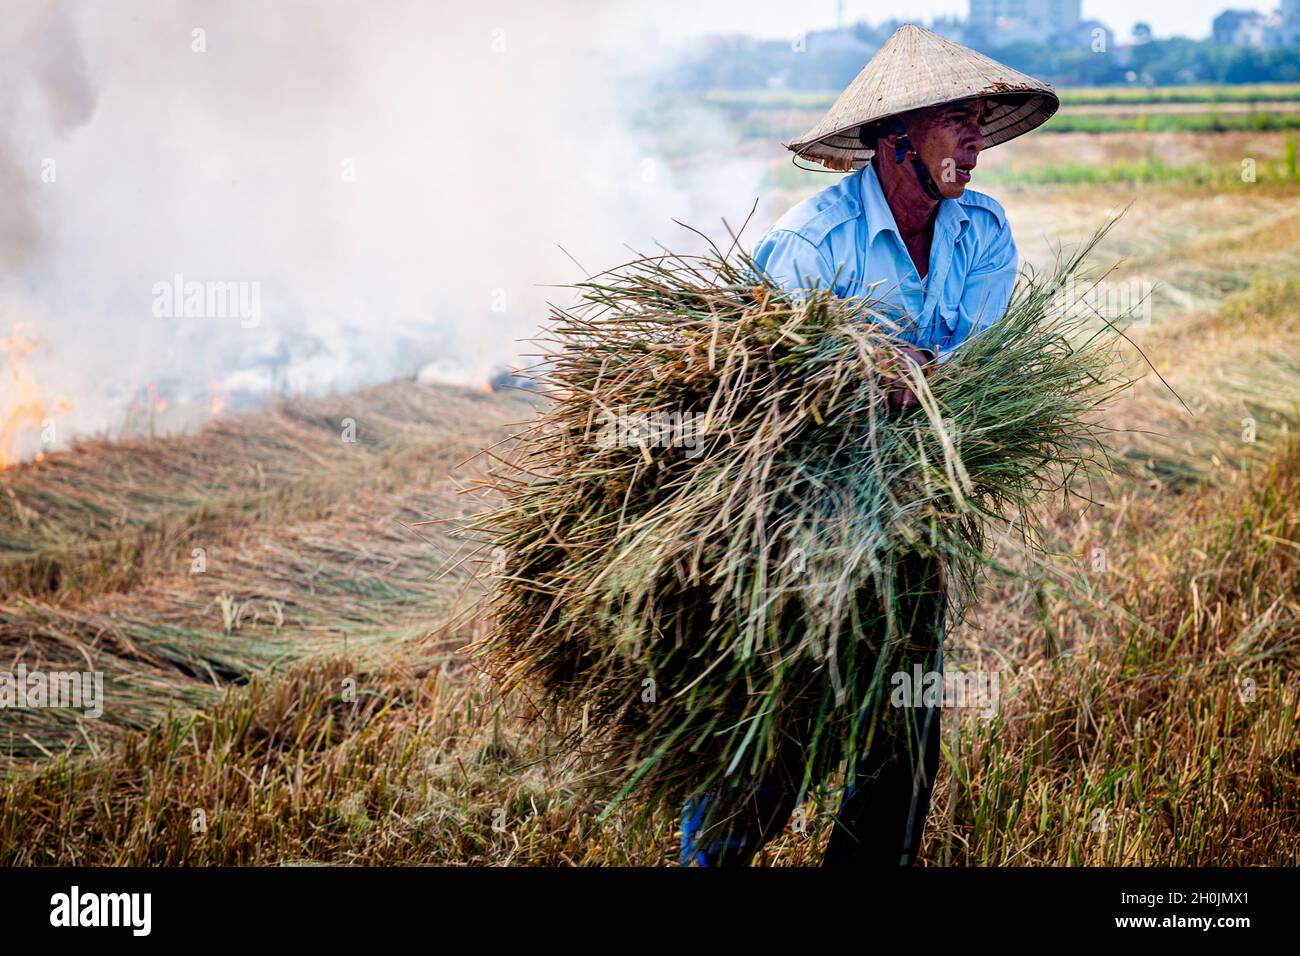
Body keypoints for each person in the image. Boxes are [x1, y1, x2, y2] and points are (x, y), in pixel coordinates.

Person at [679, 23, 1059, 867]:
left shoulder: (982, 232)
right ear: (894, 139)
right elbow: (765, 399)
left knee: (904, 744)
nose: (975, 135)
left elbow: (984, 369)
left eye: (980, 116)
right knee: (778, 733)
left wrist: (903, 370)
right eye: (954, 117)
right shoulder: (810, 246)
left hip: (917, 513)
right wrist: (865, 380)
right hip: (806, 521)